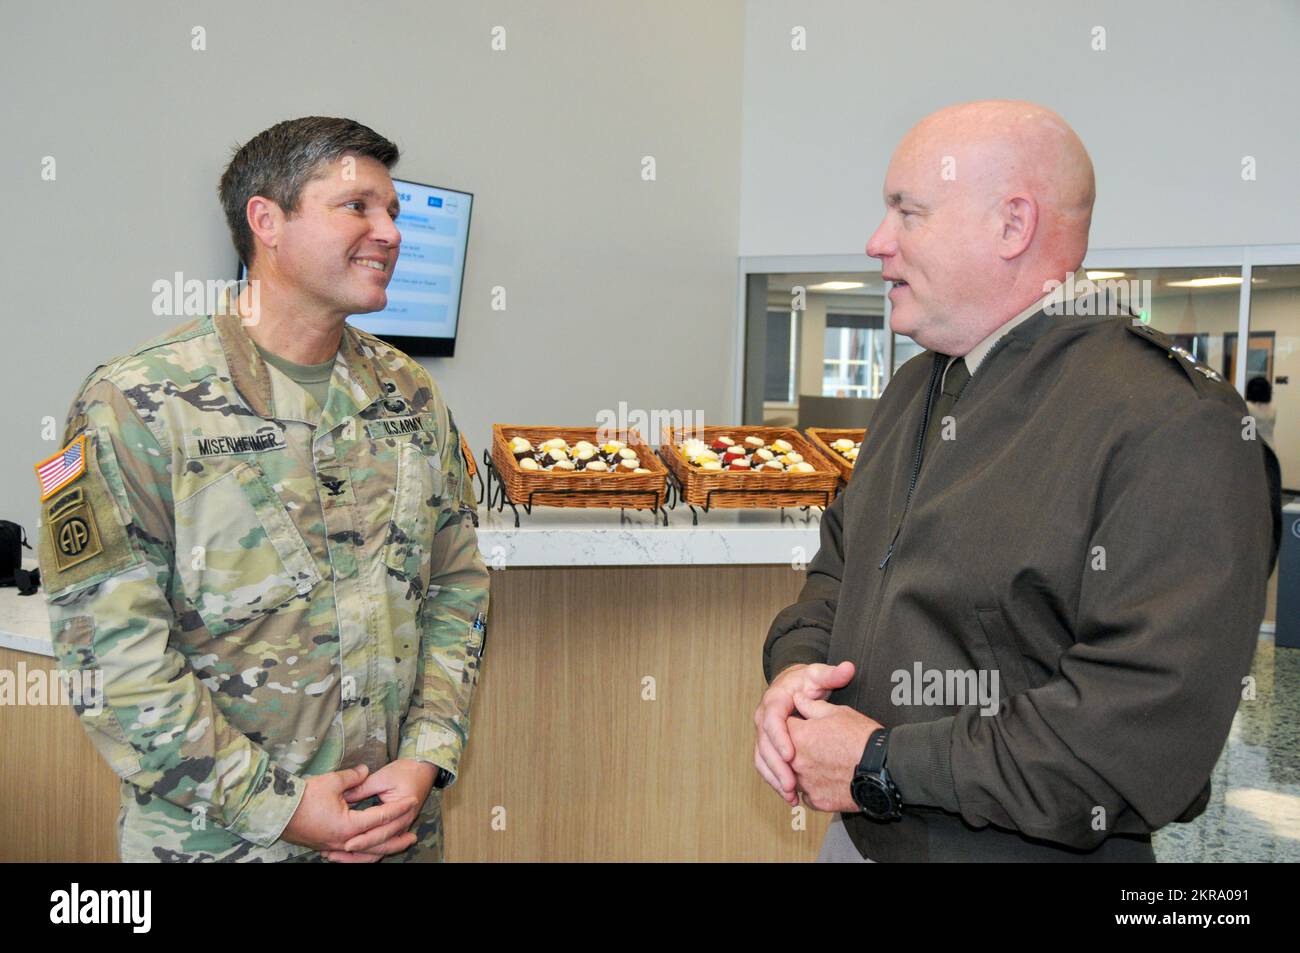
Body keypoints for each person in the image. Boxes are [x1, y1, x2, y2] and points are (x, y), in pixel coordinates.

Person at [755, 100, 1276, 862]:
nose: (877, 242)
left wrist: (879, 765)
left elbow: (1132, 734)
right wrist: (797, 673)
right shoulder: (914, 391)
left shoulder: (1174, 425)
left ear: (1012, 226)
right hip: (860, 837)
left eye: (909, 213)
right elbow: (839, 572)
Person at [36, 117, 489, 862]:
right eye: (358, 207)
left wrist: (426, 757)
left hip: (393, 833)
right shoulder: (137, 400)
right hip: (221, 841)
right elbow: (111, 658)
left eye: (395, 211)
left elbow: (458, 585)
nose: (390, 232)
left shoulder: (409, 393)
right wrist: (277, 805)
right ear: (266, 220)